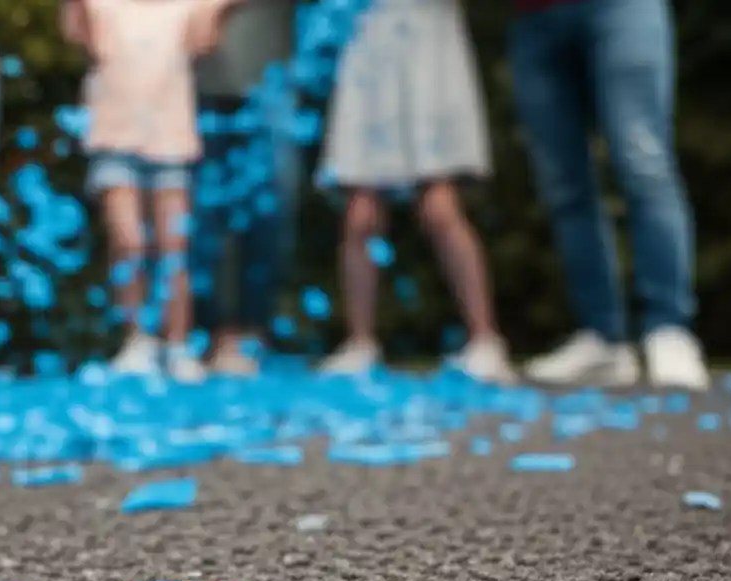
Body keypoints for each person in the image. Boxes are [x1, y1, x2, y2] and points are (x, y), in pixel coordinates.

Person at [511, 0, 708, 390]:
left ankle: (668, 329)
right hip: (531, 16)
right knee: (564, 187)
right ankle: (603, 339)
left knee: (643, 163)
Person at [317, 0, 515, 383]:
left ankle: (485, 339)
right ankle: (360, 343)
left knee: (439, 207)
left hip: (427, 42)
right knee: (360, 214)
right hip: (370, 39)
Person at [61, 0, 240, 383]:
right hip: (113, 139)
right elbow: (74, 33)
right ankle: (137, 339)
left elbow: (209, 35)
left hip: (172, 142)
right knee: (128, 242)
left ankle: (177, 344)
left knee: (173, 248)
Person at [190, 0, 301, 376]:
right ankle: (219, 333)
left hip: (269, 82)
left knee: (271, 210)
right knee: (206, 216)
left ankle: (257, 330)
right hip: (200, 83)